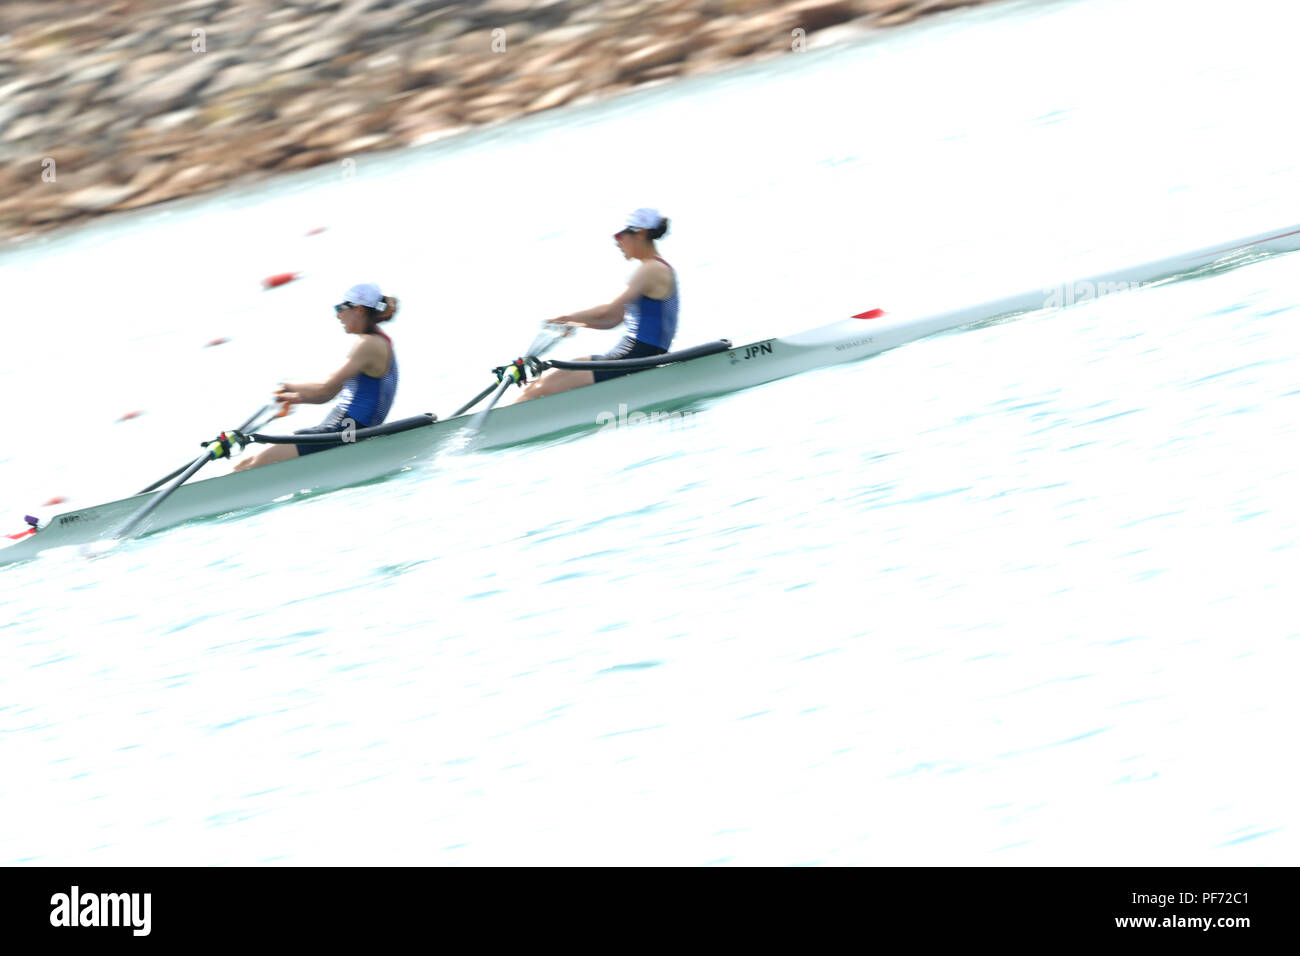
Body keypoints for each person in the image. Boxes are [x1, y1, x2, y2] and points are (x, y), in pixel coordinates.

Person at [515, 208, 677, 402]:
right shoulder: (653, 268)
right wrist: (571, 323)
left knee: (537, 389)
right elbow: (613, 319)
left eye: (619, 235)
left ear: (640, 233)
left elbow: (607, 312)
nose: (617, 242)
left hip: (633, 359)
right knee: (540, 383)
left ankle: (503, 427)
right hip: (632, 356)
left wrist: (568, 318)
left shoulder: (650, 270)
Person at [234, 284, 399, 471]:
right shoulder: (378, 341)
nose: (338, 316)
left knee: (249, 465)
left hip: (345, 432)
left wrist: (287, 385)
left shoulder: (368, 344)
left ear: (359, 310)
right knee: (248, 463)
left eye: (340, 309)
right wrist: (295, 397)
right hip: (346, 430)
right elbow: (327, 395)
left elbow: (325, 388)